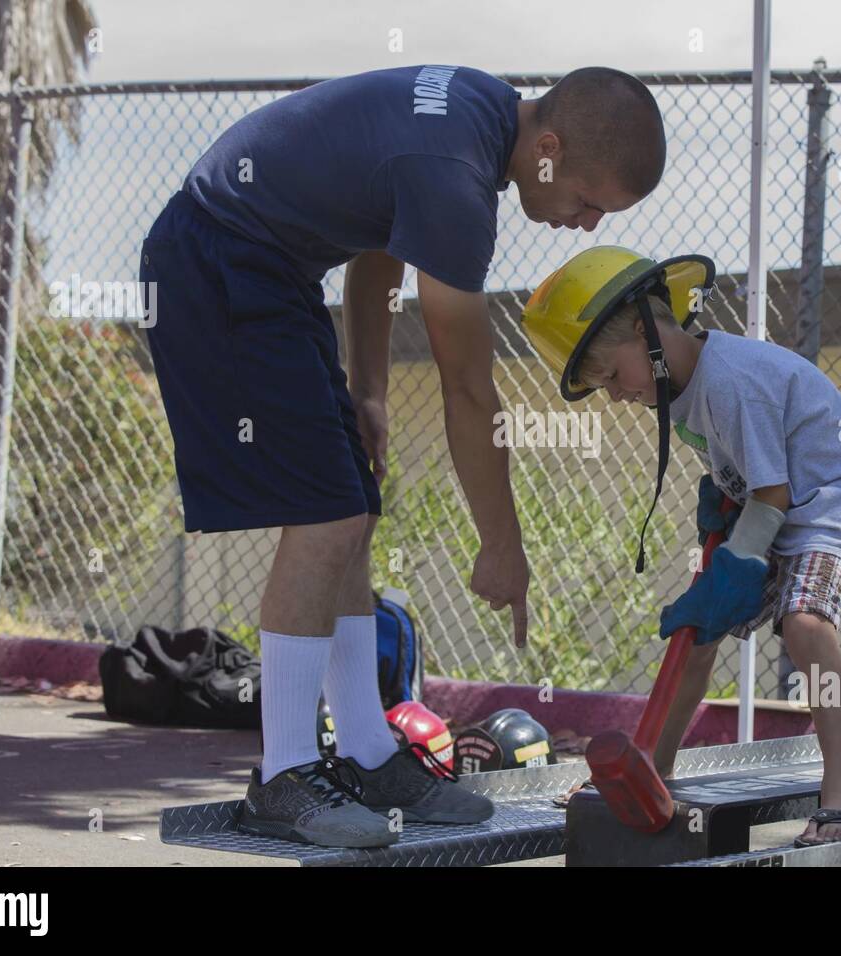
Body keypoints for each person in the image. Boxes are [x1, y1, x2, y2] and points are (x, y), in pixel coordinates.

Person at [139, 67, 667, 847]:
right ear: (548, 148)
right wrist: (502, 544)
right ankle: (283, 775)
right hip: (218, 262)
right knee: (328, 515)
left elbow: (379, 248)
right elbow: (468, 389)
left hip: (266, 266)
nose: (586, 224)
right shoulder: (456, 176)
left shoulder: (479, 118)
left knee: (352, 505)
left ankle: (367, 752)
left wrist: (371, 390)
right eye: (588, 202)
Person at [522, 246, 841, 845]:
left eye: (613, 375)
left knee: (804, 623)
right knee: (695, 635)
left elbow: (775, 491)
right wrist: (724, 494)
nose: (614, 395)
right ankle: (649, 773)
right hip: (769, 504)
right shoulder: (682, 385)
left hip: (826, 502)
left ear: (647, 333)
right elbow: (751, 478)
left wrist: (739, 559)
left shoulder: (729, 381)